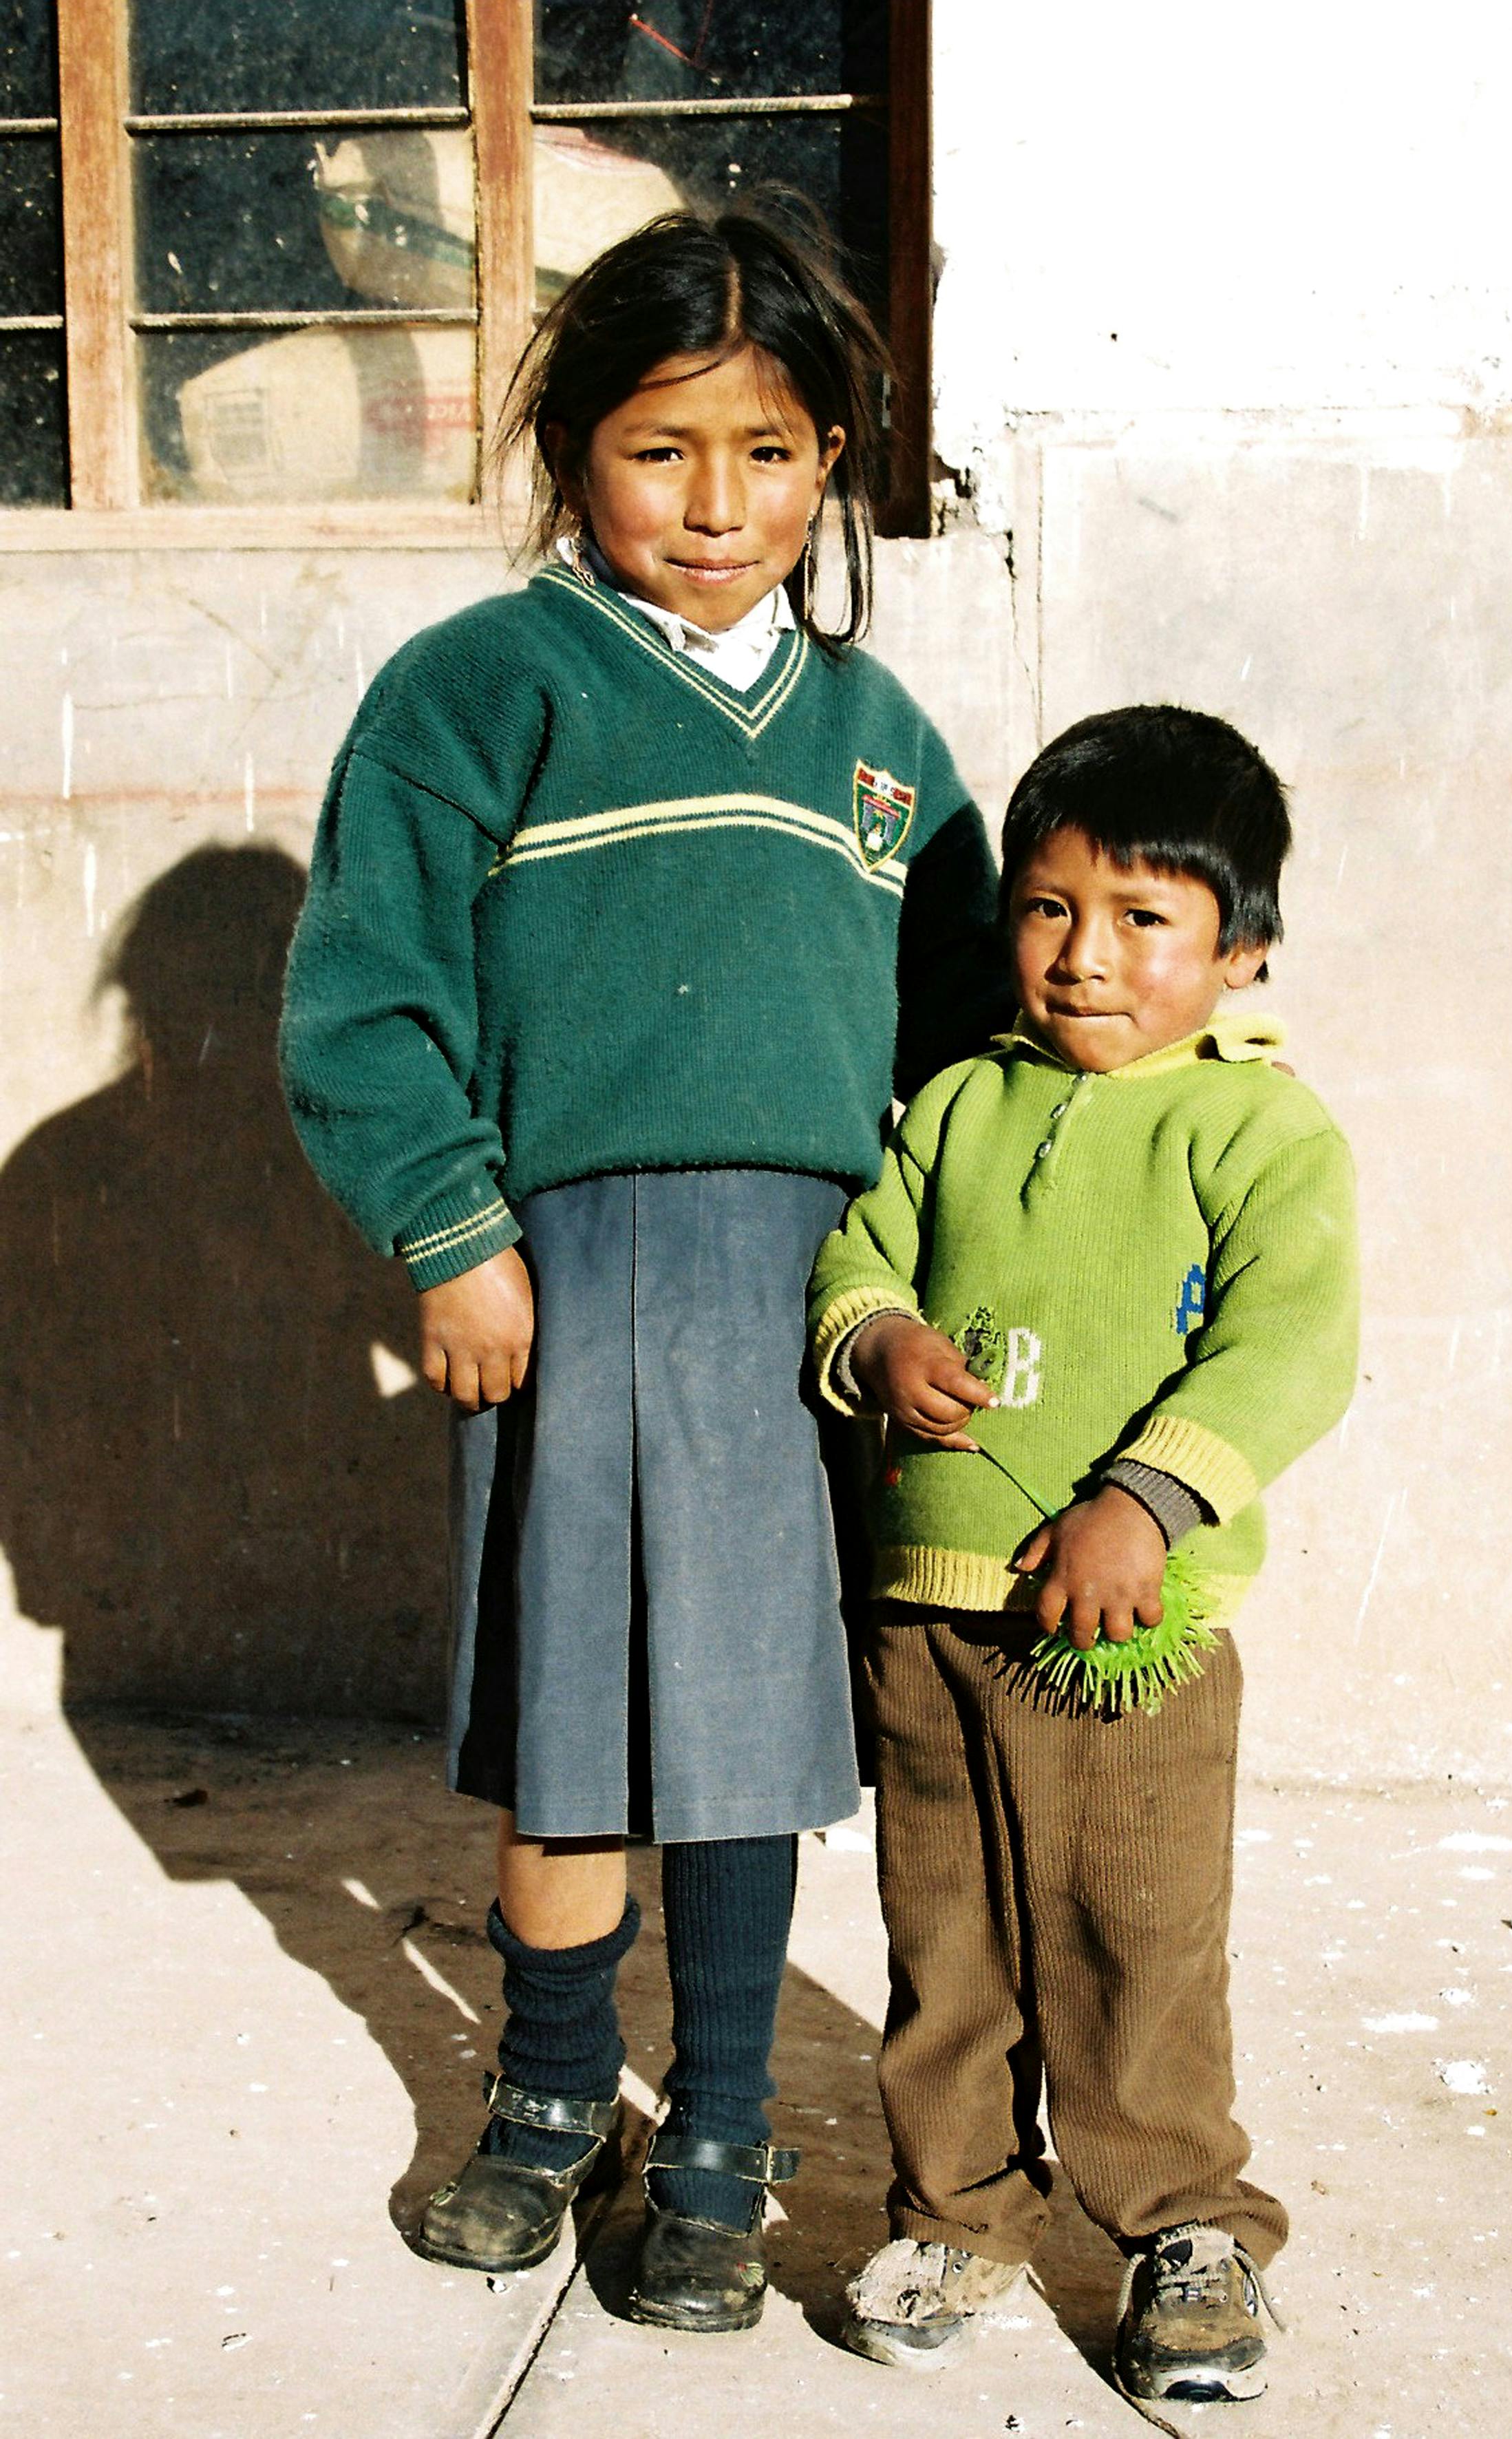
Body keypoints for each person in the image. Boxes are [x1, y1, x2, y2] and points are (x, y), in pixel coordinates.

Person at [278, 209, 1003, 2332]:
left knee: (744, 1727)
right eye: (662, 451)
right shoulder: (481, 687)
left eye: (771, 454)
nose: (720, 508)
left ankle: (713, 2132)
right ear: (572, 449)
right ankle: (551, 2088)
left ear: (840, 454)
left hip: (800, 1303)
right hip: (563, 1284)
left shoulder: (875, 737)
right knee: (572, 1719)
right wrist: (453, 1234)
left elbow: (970, 1036)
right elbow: (367, 994)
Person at [806, 706, 1359, 2409]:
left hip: (1131, 1633)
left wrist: (1144, 1499)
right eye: (1047, 908)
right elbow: (859, 1253)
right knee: (948, 1937)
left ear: (1237, 951)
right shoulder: (958, 1102)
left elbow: (1288, 1348)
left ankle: (1183, 2227)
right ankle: (956, 2207)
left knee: (1133, 1936)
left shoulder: (1260, 1134)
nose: (1085, 957)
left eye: (1142, 920)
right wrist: (878, 1336)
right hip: (930, 1614)